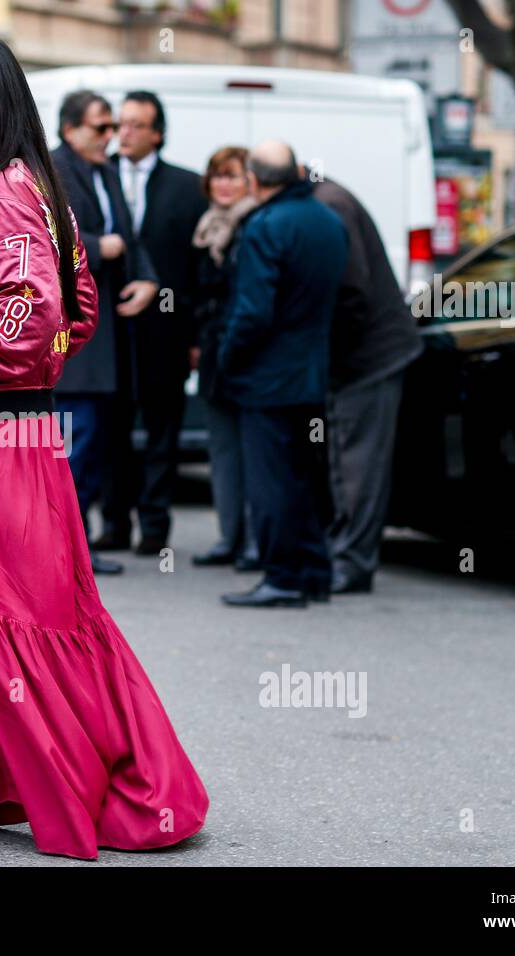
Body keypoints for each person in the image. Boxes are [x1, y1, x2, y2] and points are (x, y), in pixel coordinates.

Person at [0, 34, 207, 861]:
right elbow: (78, 306)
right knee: (7, 616)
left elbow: (37, 312)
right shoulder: (34, 189)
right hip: (3, 438)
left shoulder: (7, 194)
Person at [216, 140, 347, 609]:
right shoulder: (328, 221)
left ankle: (282, 578)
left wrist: (227, 359)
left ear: (253, 181)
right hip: (311, 374)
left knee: (270, 481)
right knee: (303, 479)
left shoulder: (266, 226)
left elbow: (252, 312)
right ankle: (314, 573)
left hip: (266, 379)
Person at [50, 90, 158, 575]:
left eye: (112, 126)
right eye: (100, 126)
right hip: (70, 331)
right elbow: (49, 237)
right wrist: (99, 246)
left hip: (112, 329)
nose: (111, 136)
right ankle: (63, 548)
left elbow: (131, 237)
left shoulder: (107, 171)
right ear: (70, 129)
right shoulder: (49, 171)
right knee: (77, 438)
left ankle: (75, 541)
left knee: (98, 439)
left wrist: (148, 277)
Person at [104, 90, 208, 555]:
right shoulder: (96, 176)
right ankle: (112, 522)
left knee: (164, 431)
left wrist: (196, 336)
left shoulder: (189, 187)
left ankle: (155, 527)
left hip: (167, 331)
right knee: (112, 428)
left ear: (157, 133)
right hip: (109, 330)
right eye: (119, 123)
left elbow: (200, 267)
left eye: (135, 125)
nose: (123, 132)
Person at [313, 177, 423, 594]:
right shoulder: (328, 200)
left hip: (367, 358)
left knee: (357, 462)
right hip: (365, 354)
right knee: (350, 459)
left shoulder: (331, 206)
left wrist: (329, 357)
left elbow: (352, 292)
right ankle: (345, 554)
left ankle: (352, 564)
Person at [191, 146, 260, 569]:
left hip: (247, 354)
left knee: (254, 453)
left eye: (233, 176)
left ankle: (254, 541)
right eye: (218, 176)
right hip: (214, 352)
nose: (225, 184)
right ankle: (228, 536)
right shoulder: (206, 228)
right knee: (223, 450)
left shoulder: (254, 224)